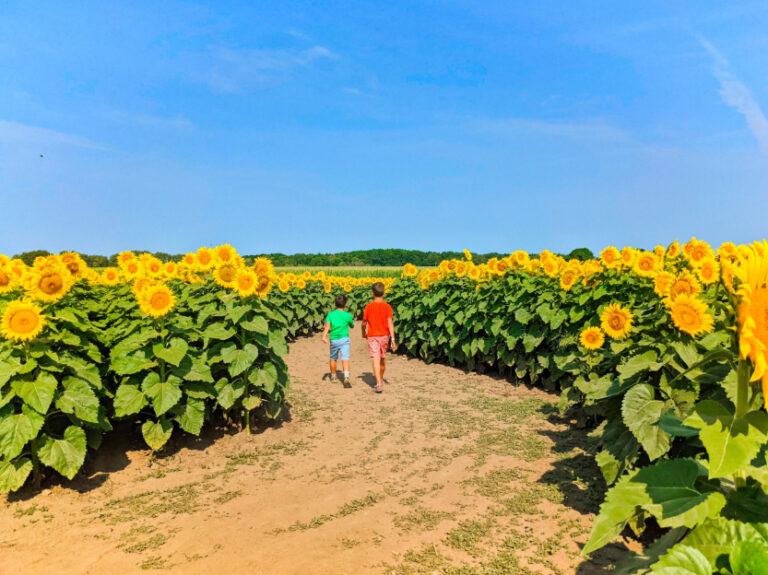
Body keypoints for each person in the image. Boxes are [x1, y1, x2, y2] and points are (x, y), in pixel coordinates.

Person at [361, 281, 397, 393]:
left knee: (375, 359)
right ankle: (380, 379)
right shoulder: (387, 307)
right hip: (384, 336)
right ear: (384, 293)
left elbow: (364, 323)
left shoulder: (368, 307)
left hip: (373, 336)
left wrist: (363, 332)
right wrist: (393, 339)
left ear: (372, 293)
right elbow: (390, 323)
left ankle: (378, 384)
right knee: (382, 358)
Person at [322, 293, 355, 386]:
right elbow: (352, 325)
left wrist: (324, 336)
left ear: (334, 304)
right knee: (345, 358)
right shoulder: (348, 315)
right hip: (344, 339)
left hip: (334, 340)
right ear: (346, 304)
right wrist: (351, 325)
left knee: (333, 358)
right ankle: (346, 377)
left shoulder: (330, 314)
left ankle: (333, 376)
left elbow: (327, 326)